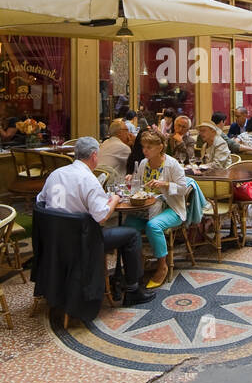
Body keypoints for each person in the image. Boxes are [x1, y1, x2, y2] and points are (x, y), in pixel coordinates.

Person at [38, 138, 153, 305]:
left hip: (53, 238)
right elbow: (102, 216)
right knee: (132, 235)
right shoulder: (88, 179)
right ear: (93, 156)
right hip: (82, 240)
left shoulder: (56, 174)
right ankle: (133, 290)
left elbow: (40, 202)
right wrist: (114, 199)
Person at [124, 131, 189, 289]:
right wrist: (132, 180)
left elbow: (183, 189)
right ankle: (139, 262)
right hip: (147, 207)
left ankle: (162, 266)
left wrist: (164, 184)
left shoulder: (172, 164)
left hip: (171, 207)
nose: (145, 150)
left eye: (149, 147)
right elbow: (140, 186)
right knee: (127, 226)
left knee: (153, 226)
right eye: (143, 147)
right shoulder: (143, 163)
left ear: (160, 147)